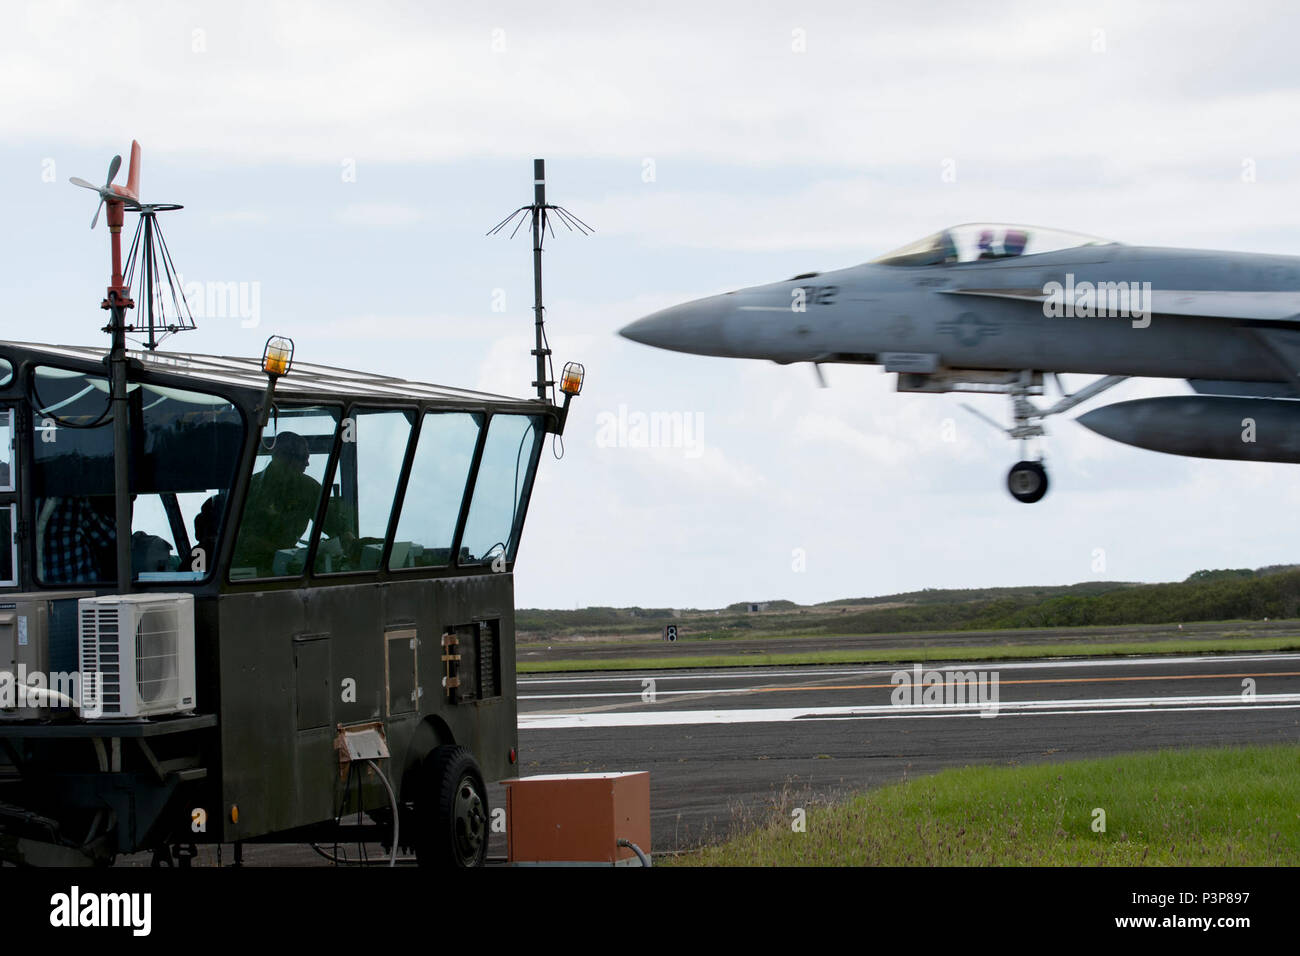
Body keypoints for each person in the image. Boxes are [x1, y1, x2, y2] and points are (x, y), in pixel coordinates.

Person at [42, 495, 117, 584]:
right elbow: (107, 536)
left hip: (49, 587)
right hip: (83, 586)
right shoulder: (73, 502)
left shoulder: (29, 504)